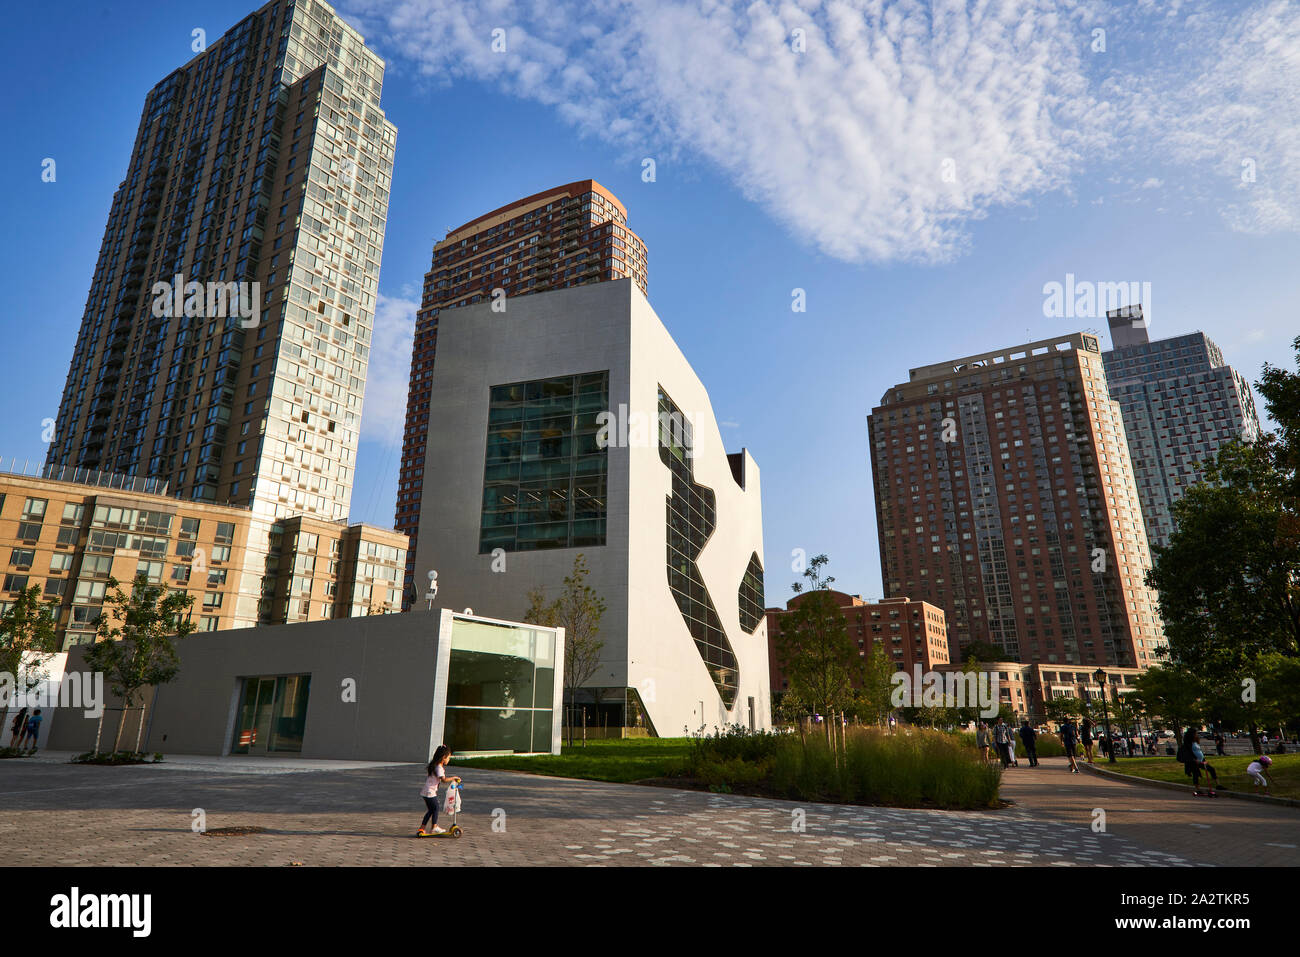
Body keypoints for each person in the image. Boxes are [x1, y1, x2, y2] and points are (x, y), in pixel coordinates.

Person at [417, 745, 461, 836]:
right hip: (430, 792)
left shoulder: (435, 766)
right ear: (443, 757)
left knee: (431, 810)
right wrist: (454, 778)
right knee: (436, 808)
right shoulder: (439, 768)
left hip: (426, 791)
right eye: (448, 757)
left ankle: (422, 828)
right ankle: (434, 827)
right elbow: (444, 780)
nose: (449, 759)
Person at [1182, 730, 1218, 795]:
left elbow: (1199, 752)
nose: (1197, 735)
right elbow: (1187, 754)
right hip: (1194, 762)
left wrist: (1204, 760)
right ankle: (1198, 789)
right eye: (1195, 734)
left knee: (1211, 769)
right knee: (1196, 774)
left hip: (1201, 761)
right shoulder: (1187, 744)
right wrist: (1194, 760)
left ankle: (1218, 784)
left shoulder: (1196, 742)